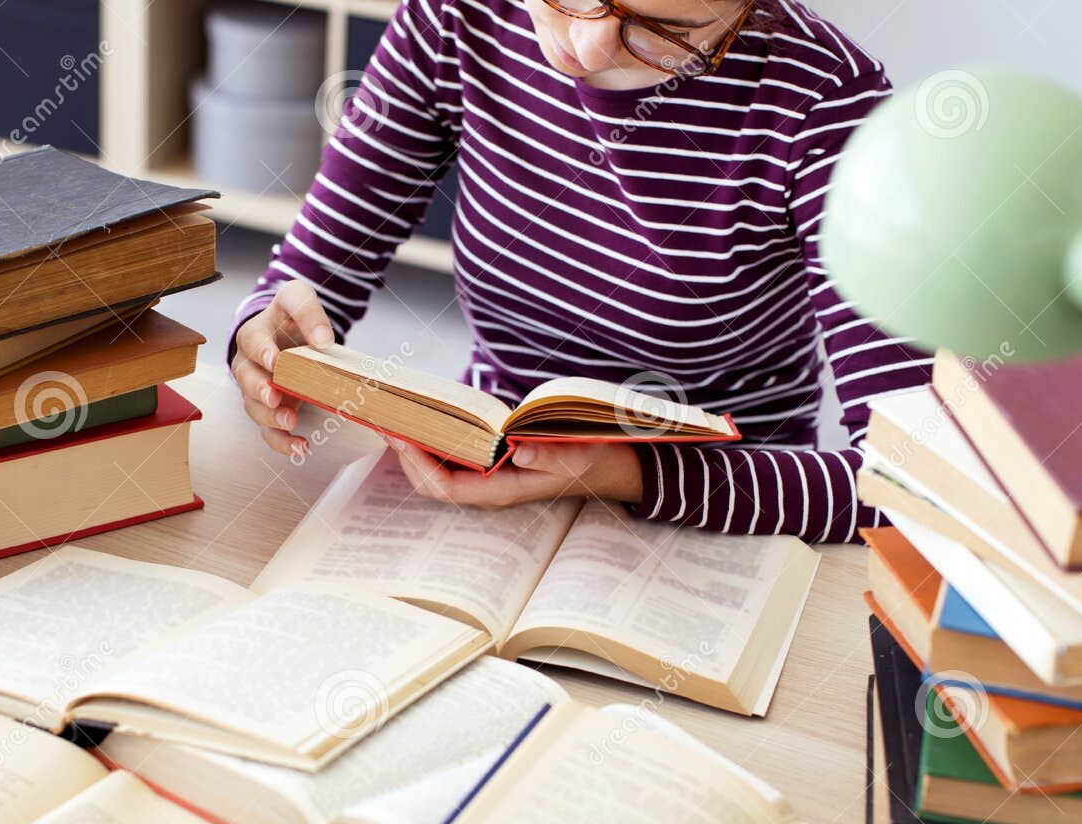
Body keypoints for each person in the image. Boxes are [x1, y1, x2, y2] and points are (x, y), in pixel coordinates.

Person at [229, 0, 931, 539]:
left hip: (733, 520)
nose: (585, 45)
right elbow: (309, 280)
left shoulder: (828, 106)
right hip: (483, 481)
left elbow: (916, 491)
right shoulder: (458, 18)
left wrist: (626, 473)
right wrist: (263, 338)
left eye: (667, 27)